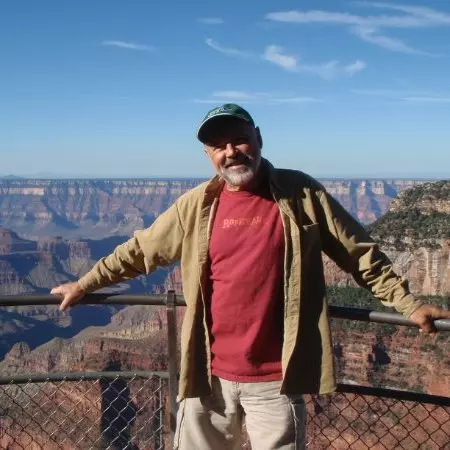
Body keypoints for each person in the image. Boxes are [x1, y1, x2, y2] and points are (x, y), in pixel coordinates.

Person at [51, 104, 450, 450]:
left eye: (239, 140)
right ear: (208, 154)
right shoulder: (196, 206)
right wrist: (84, 283)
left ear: (258, 138)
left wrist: (408, 305)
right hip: (207, 376)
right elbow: (139, 251)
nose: (231, 152)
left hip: (276, 380)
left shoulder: (302, 195)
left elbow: (359, 255)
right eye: (218, 146)